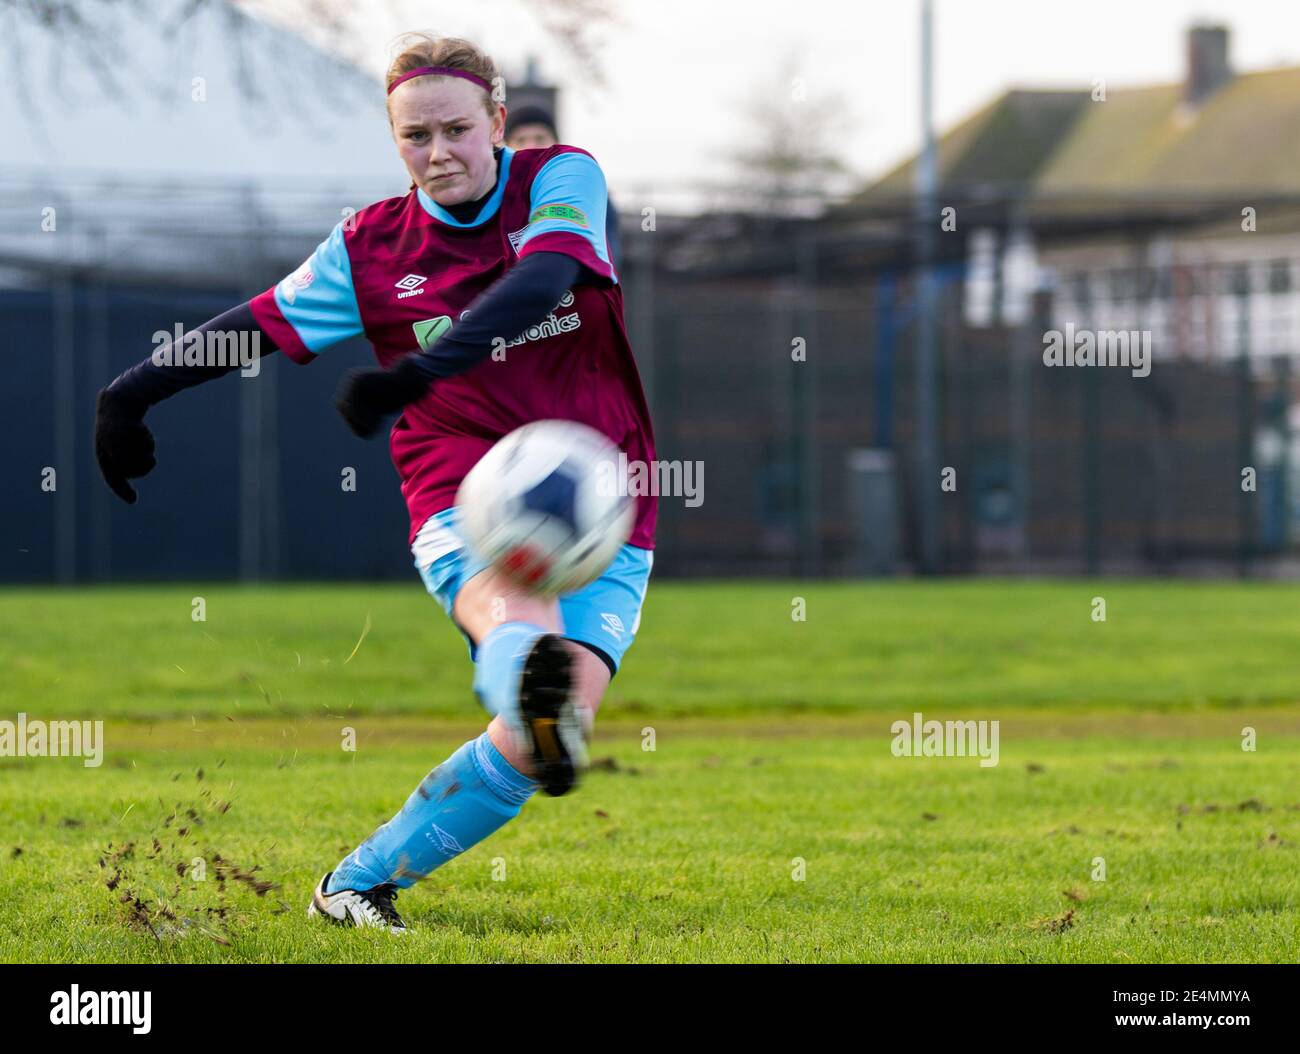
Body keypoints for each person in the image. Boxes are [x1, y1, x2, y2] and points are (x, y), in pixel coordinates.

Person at [92, 33, 657, 933]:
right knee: (516, 627)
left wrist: (424, 367)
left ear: (499, 123)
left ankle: (354, 882)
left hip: (606, 497)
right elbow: (260, 325)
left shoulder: (561, 179)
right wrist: (130, 393)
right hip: (461, 487)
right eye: (414, 136)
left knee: (540, 745)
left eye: (457, 130)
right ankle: (526, 676)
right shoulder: (370, 248)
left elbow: (546, 274)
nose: (438, 154)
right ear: (394, 139)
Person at [505, 102, 621, 270]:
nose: (531, 146)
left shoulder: (586, 190)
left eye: (540, 138)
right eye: (521, 140)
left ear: (557, 143)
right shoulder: (496, 196)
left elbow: (606, 252)